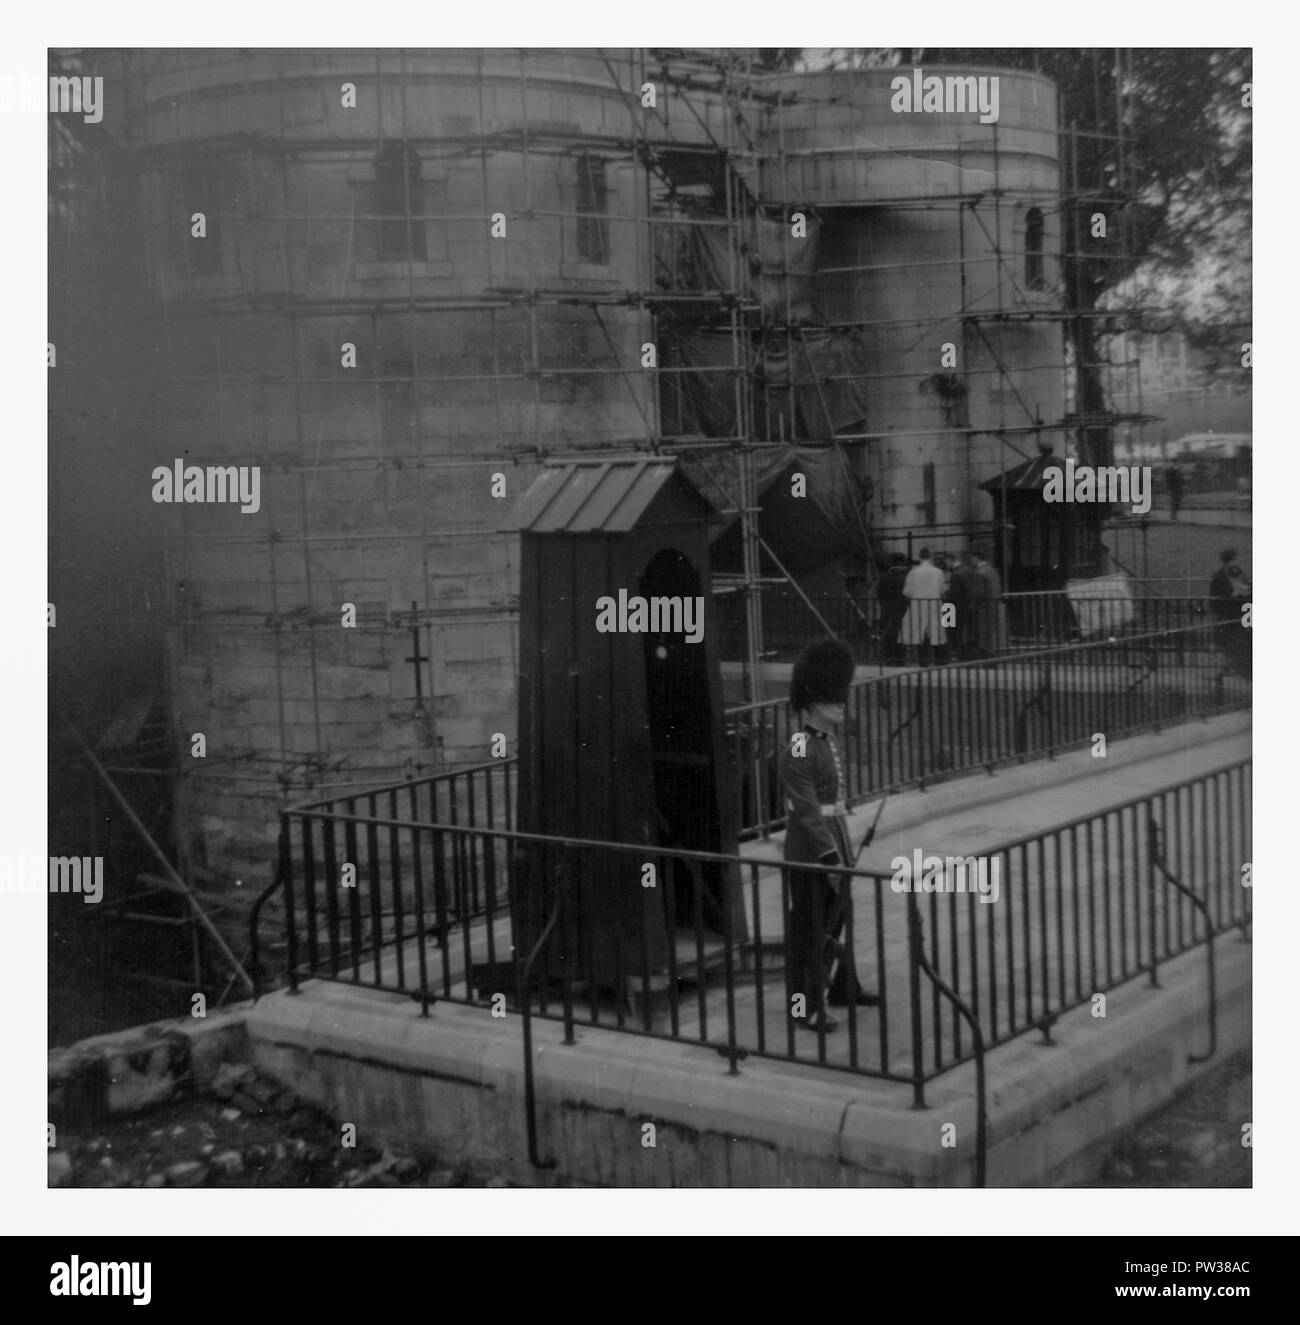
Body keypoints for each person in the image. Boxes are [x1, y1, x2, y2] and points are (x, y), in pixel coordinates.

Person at [780, 638, 877, 1034]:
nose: (841, 704)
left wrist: (843, 852)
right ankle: (803, 1006)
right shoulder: (799, 745)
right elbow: (807, 812)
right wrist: (831, 860)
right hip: (811, 854)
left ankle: (842, 986)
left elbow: (832, 808)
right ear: (813, 701)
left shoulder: (826, 741)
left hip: (835, 845)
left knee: (838, 922)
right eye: (832, 699)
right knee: (810, 932)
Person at [900, 547, 947, 666]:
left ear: (919, 557)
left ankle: (923, 662)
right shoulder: (938, 572)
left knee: (919, 634)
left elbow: (907, 592)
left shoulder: (913, 572)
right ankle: (940, 662)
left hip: (918, 606)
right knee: (936, 634)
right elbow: (942, 591)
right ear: (930, 557)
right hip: (934, 605)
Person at [1209, 548, 1251, 679]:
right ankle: (1222, 668)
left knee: (1232, 641)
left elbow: (1246, 587)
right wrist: (1236, 593)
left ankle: (1228, 667)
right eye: (1235, 559)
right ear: (1230, 560)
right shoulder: (1220, 575)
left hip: (1235, 612)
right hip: (1227, 612)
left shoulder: (1236, 572)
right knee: (1224, 641)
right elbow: (1217, 595)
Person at [970, 545, 1008, 658]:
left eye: (971, 557)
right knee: (990, 635)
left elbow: (977, 593)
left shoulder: (979, 572)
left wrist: (972, 607)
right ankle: (991, 658)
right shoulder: (992, 570)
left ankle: (985, 658)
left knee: (982, 636)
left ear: (976, 557)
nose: (971, 560)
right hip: (993, 605)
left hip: (983, 608)